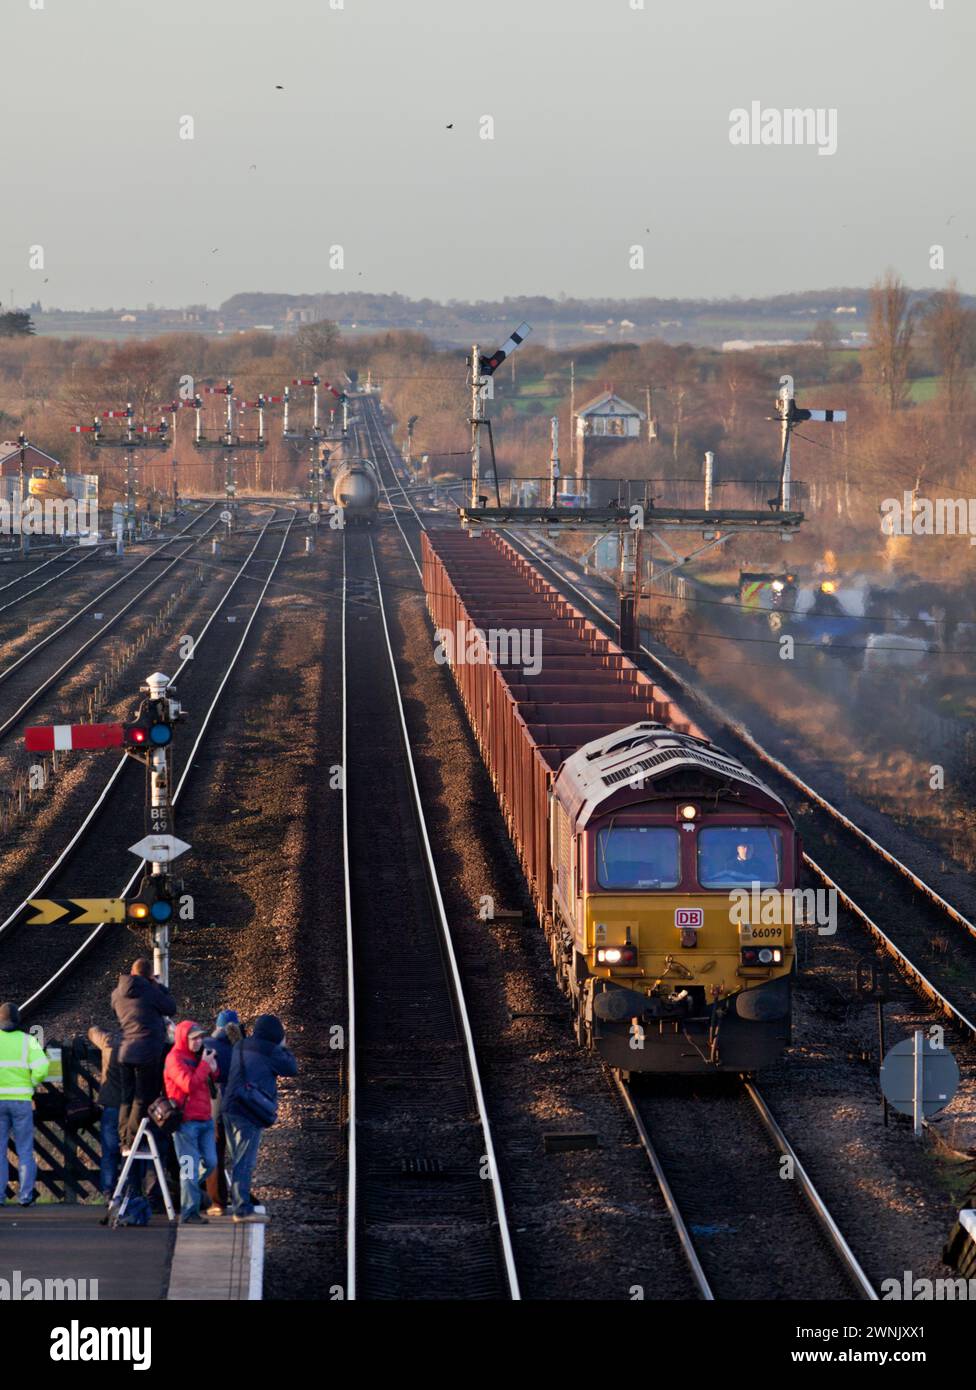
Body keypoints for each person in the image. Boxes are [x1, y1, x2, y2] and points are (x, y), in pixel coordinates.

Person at [222, 1014, 297, 1224]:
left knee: (238, 1158)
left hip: (230, 1107)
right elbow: (292, 1068)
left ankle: (239, 1200)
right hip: (249, 1110)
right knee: (244, 1161)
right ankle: (241, 1209)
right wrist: (283, 1046)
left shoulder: (241, 1045)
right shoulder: (270, 1050)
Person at [111, 959, 176, 1152]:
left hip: (124, 1051)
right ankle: (132, 1141)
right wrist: (158, 987)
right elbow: (170, 1008)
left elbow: (115, 1007)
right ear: (150, 976)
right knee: (141, 1098)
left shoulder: (117, 993)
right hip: (147, 1052)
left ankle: (123, 1139)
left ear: (132, 972)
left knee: (126, 1097)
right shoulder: (151, 991)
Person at [163, 1021, 219, 1224]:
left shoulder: (196, 1057)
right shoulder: (174, 1059)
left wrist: (213, 1069)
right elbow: (187, 1084)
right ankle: (189, 1212)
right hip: (185, 1122)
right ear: (183, 1038)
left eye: (200, 1037)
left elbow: (206, 1081)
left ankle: (190, 1191)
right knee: (189, 1169)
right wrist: (205, 1066)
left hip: (204, 1119)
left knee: (210, 1163)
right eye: (194, 1038)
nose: (198, 1041)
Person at [0, 1002, 50, 1207]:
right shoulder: (28, 1041)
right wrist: (30, 1083)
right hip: (21, 1101)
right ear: (18, 1020)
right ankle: (25, 1196)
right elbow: (42, 1068)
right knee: (25, 1150)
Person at [204, 1009, 242, 1217]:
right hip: (238, 1107)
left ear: (217, 1027)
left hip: (214, 1108)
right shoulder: (241, 1048)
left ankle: (217, 1201)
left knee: (214, 1154)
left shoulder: (209, 1045)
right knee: (241, 1155)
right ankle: (241, 1198)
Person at [87, 1024, 123, 1202]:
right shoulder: (138, 1045)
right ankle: (129, 1189)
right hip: (131, 1107)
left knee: (109, 1151)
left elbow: (93, 1031)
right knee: (130, 1150)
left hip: (110, 1104)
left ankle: (108, 1190)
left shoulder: (109, 1041)